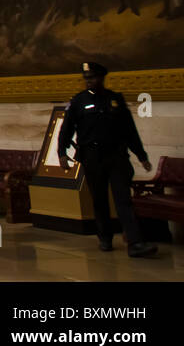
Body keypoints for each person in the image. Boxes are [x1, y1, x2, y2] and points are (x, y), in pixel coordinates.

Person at [57, 62, 158, 258]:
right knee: (99, 199)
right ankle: (105, 237)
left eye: (92, 77)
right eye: (86, 78)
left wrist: (142, 156)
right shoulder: (78, 101)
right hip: (92, 157)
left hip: (116, 156)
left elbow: (129, 131)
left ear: (102, 78)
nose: (89, 81)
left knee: (123, 199)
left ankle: (135, 243)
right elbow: (66, 129)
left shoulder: (115, 100)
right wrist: (62, 153)